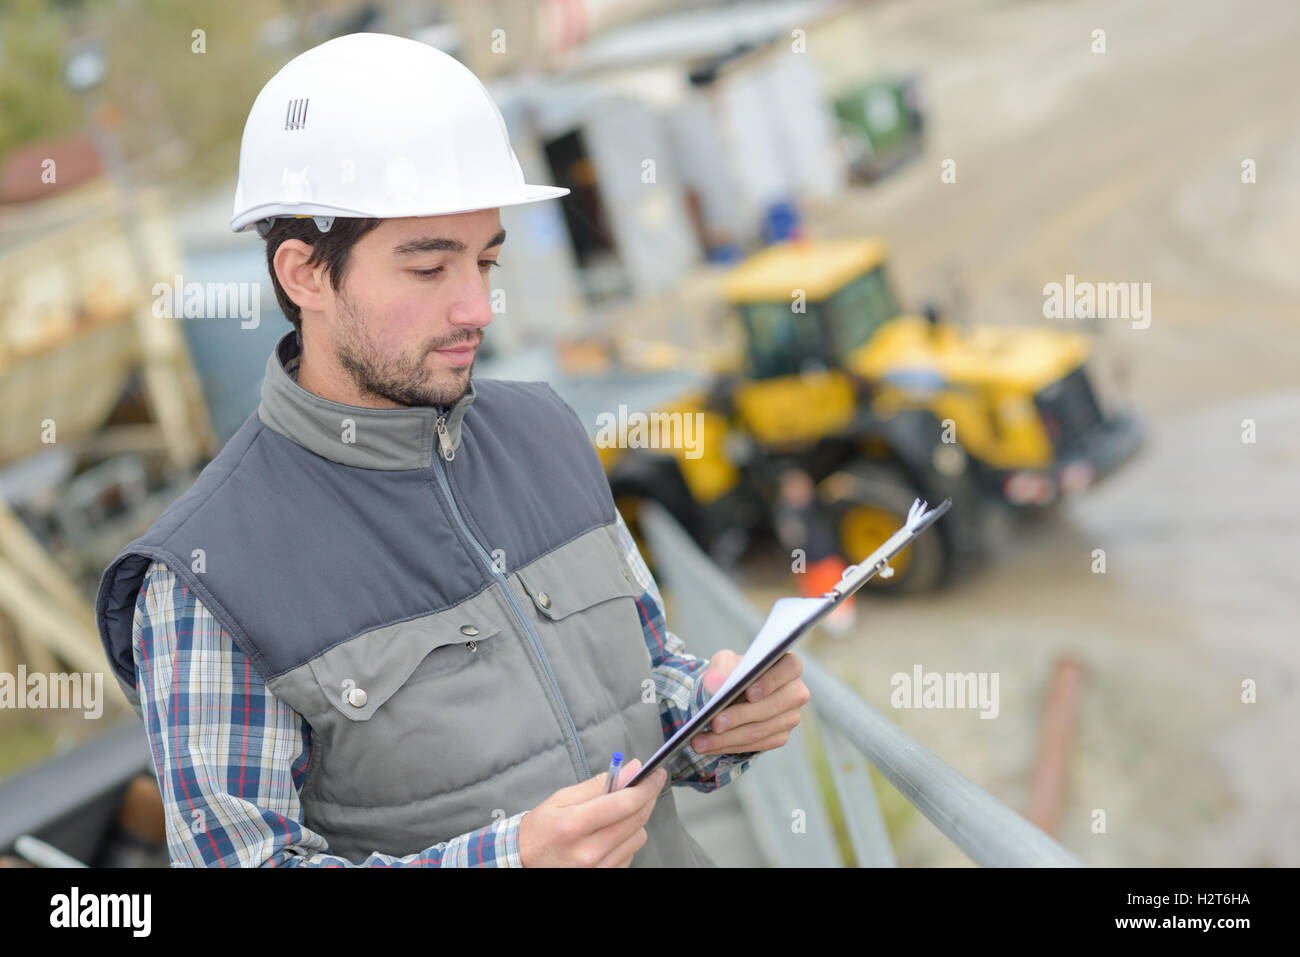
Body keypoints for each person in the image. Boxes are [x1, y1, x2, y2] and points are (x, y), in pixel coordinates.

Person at [94, 32, 810, 867]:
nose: (478, 307)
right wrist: (507, 861)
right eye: (430, 269)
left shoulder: (547, 432)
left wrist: (715, 714)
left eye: (487, 260)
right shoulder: (206, 576)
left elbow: (646, 684)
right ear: (304, 275)